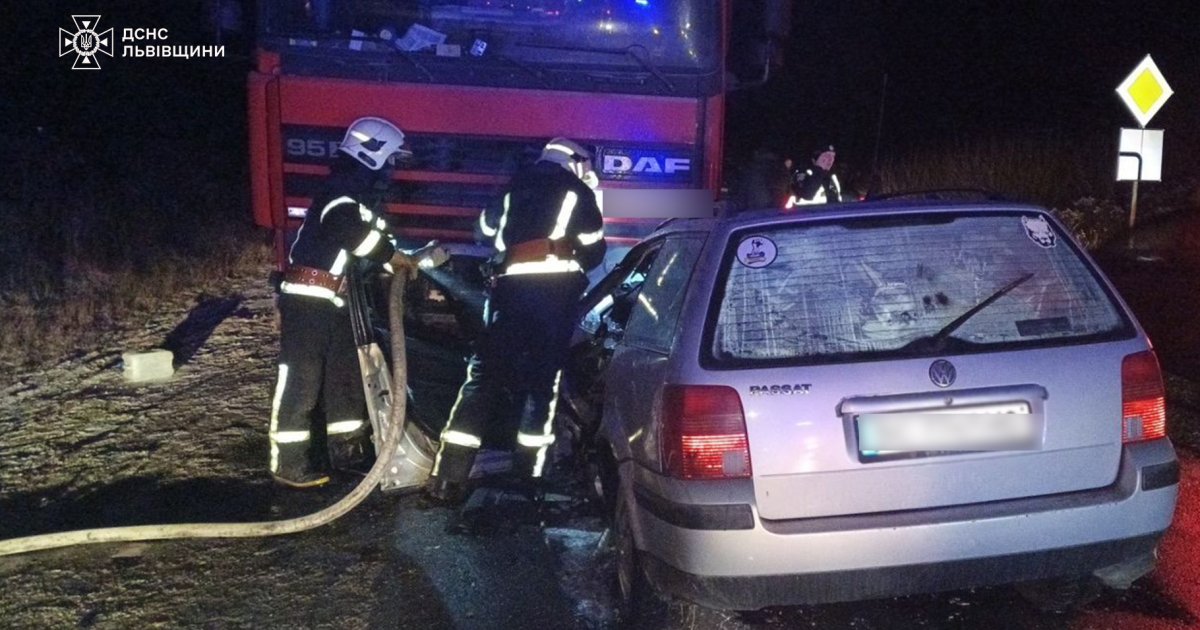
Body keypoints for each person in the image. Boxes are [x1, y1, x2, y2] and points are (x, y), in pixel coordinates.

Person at [269, 116, 447, 489]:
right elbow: (348, 230)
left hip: (337, 301)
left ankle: (347, 454)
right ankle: (289, 465)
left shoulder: (359, 195)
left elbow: (373, 242)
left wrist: (407, 257)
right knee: (302, 380)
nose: (394, 168)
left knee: (345, 377)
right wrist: (391, 255)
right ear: (373, 152)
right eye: (392, 159)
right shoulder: (341, 190)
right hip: (308, 298)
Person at [425, 137, 607, 504]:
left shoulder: (512, 187)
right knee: (542, 384)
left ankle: (448, 477)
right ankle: (531, 475)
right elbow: (594, 247)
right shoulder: (576, 190)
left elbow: (486, 232)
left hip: (506, 293)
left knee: (483, 379)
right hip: (553, 296)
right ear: (574, 161)